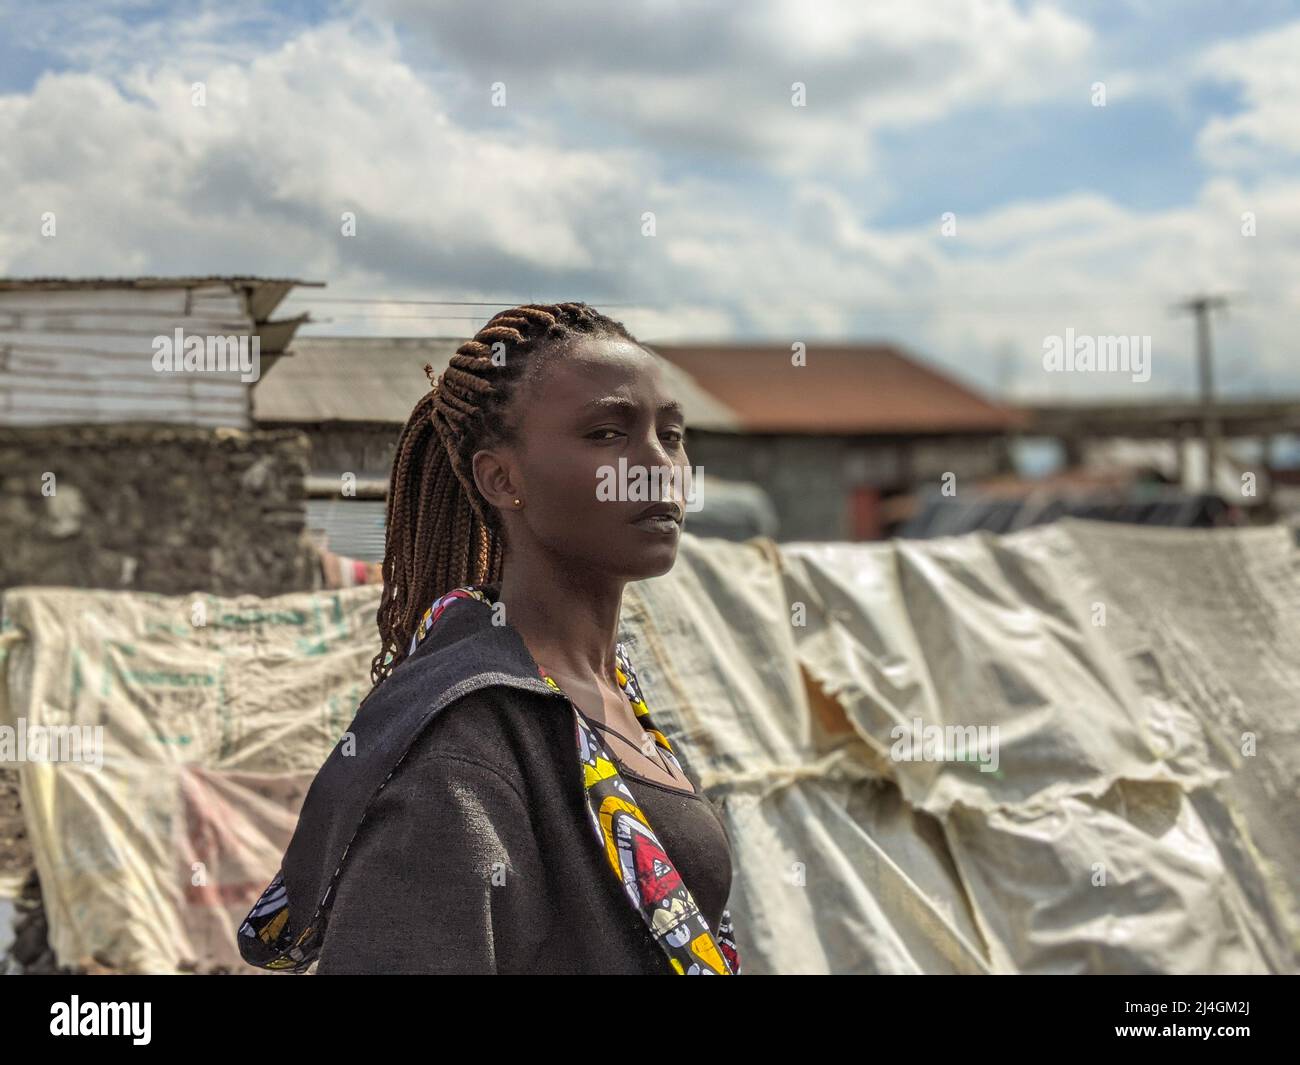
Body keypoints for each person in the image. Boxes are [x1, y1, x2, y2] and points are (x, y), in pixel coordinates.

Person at [236, 302, 741, 975]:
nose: (656, 465)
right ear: (502, 478)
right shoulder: (467, 746)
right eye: (607, 433)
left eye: (672, 435)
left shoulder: (607, 694)